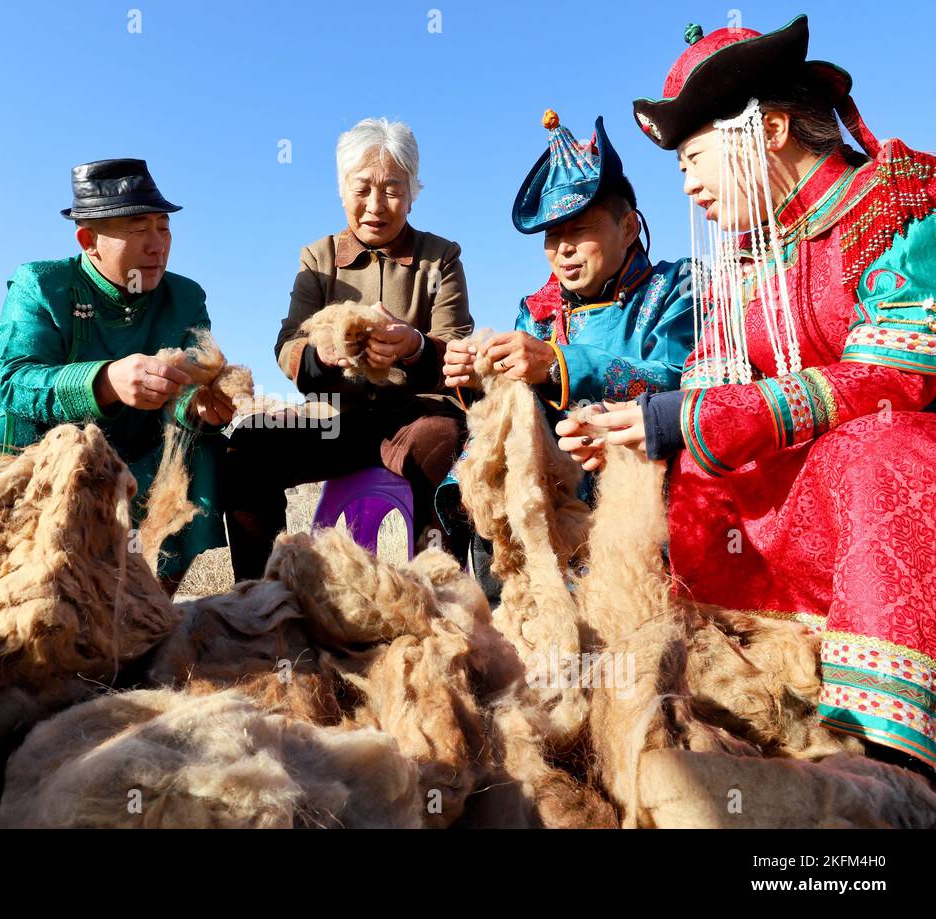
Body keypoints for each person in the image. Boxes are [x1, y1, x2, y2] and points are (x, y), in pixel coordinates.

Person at [559, 15, 936, 773]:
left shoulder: (894, 204)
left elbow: (895, 377)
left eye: (697, 160)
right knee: (681, 477)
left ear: (767, 131)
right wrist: (631, 430)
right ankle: (736, 684)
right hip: (795, 517)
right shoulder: (746, 265)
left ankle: (889, 747)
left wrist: (695, 418)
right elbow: (706, 384)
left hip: (895, 488)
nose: (689, 185)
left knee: (879, 447)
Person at [437, 112, 695, 592]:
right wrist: (479, 381)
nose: (564, 250)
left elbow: (683, 381)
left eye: (580, 230)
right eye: (553, 238)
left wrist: (557, 365)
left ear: (629, 226)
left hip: (645, 494)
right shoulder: (536, 311)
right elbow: (512, 404)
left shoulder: (678, 287)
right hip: (551, 498)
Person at [0, 159, 232, 591]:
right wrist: (105, 381)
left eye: (164, 227)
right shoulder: (41, 285)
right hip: (50, 457)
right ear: (89, 241)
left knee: (206, 446)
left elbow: (191, 391)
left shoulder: (186, 298)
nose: (158, 245)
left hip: (142, 456)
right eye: (139, 230)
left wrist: (200, 407)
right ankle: (4, 587)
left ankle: (154, 602)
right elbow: (13, 382)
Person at [223, 118, 473, 581]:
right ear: (341, 189)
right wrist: (326, 356)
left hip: (415, 418)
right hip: (339, 421)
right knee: (246, 447)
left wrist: (413, 346)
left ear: (414, 190)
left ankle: (439, 599)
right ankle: (260, 605)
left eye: (393, 189)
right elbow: (288, 345)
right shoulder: (317, 259)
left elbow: (457, 349)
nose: (376, 206)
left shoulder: (441, 258)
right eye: (361, 189)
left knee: (439, 439)